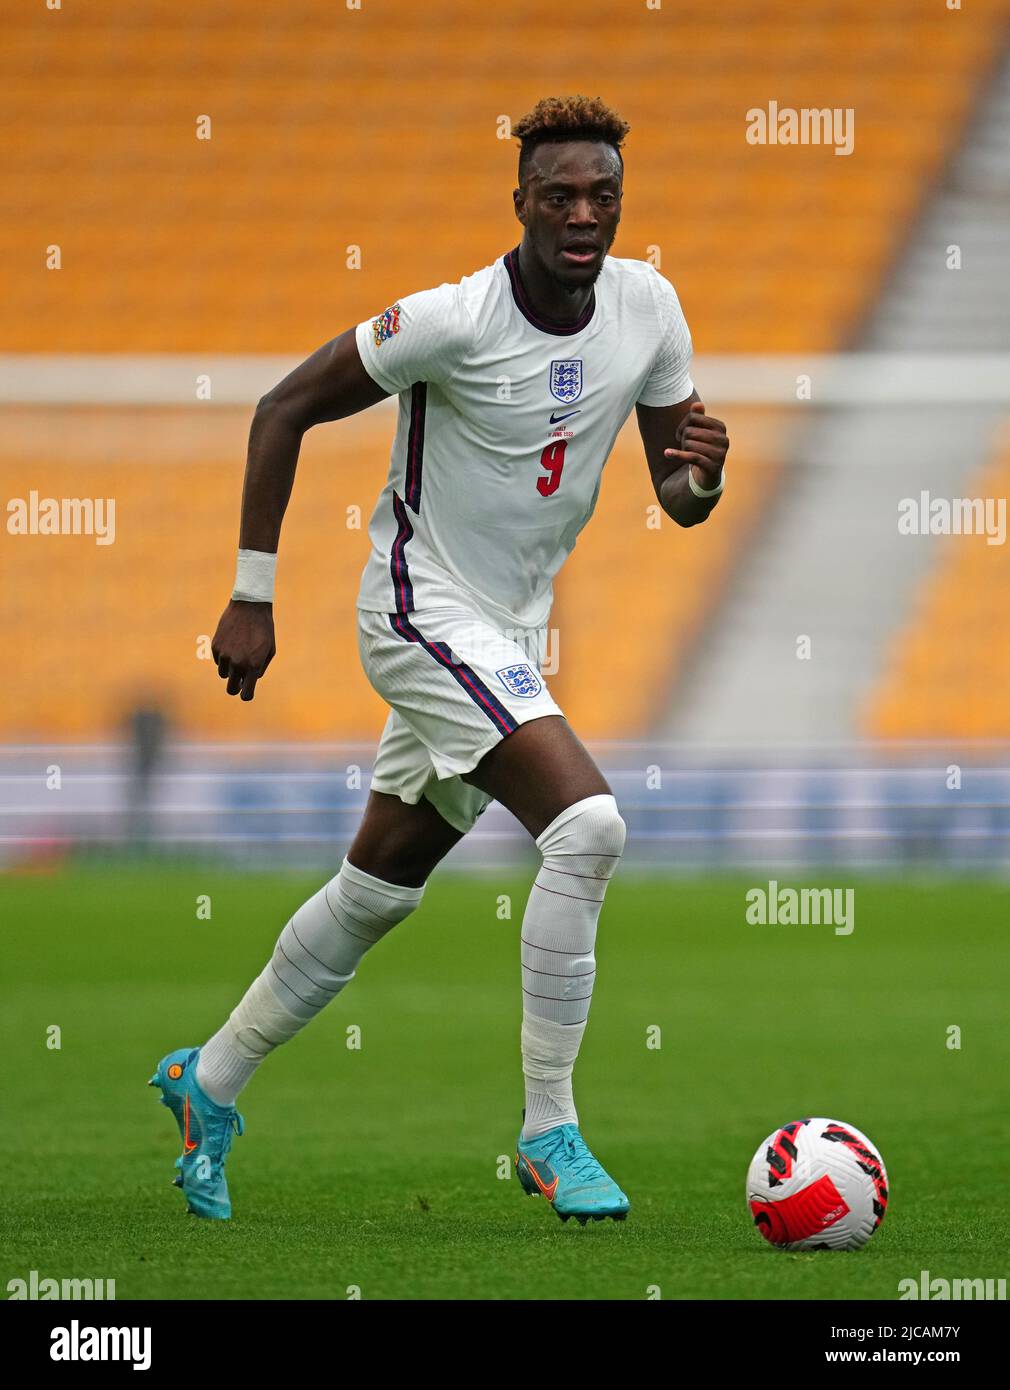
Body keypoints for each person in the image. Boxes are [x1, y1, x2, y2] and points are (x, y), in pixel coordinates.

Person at [150, 94, 729, 1223]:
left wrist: (701, 476)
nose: (580, 214)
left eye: (600, 196)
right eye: (556, 194)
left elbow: (676, 489)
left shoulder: (648, 307)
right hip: (417, 611)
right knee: (589, 825)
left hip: (503, 632)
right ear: (516, 201)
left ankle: (207, 1080)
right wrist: (250, 596)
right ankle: (549, 1130)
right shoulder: (451, 321)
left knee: (377, 888)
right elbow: (281, 408)